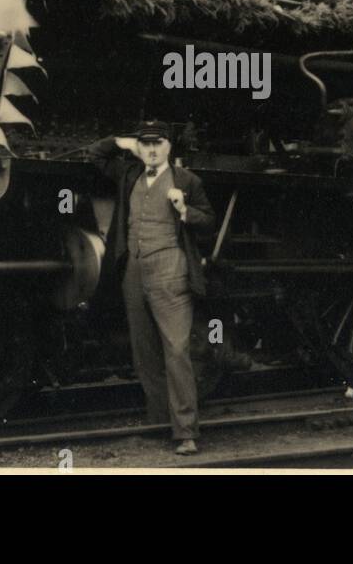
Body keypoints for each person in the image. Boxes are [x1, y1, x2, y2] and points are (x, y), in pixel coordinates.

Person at [89, 121, 216, 455]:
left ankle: (186, 431)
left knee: (175, 350)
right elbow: (96, 154)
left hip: (170, 268)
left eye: (157, 143)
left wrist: (185, 210)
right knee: (144, 350)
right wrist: (121, 141)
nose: (151, 149)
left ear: (168, 147)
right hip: (134, 268)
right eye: (145, 144)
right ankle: (161, 420)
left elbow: (209, 220)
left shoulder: (188, 181)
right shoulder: (129, 174)